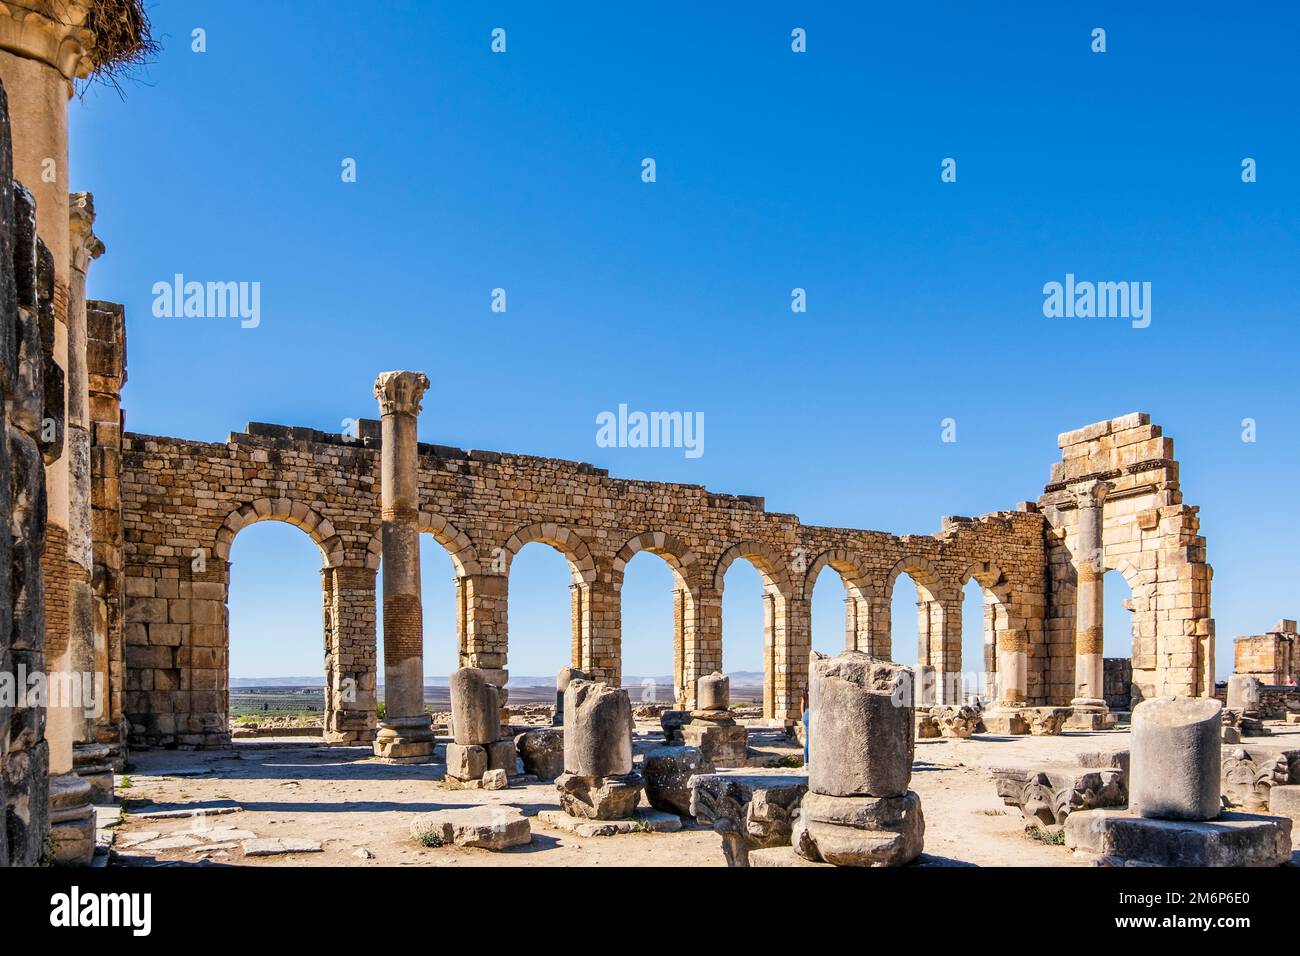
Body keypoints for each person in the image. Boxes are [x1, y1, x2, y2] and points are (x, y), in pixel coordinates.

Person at [800, 691, 810, 767]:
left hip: (806, 713)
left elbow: (802, 703)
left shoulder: (805, 692)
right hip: (811, 713)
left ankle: (806, 763)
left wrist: (803, 715)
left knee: (808, 740)